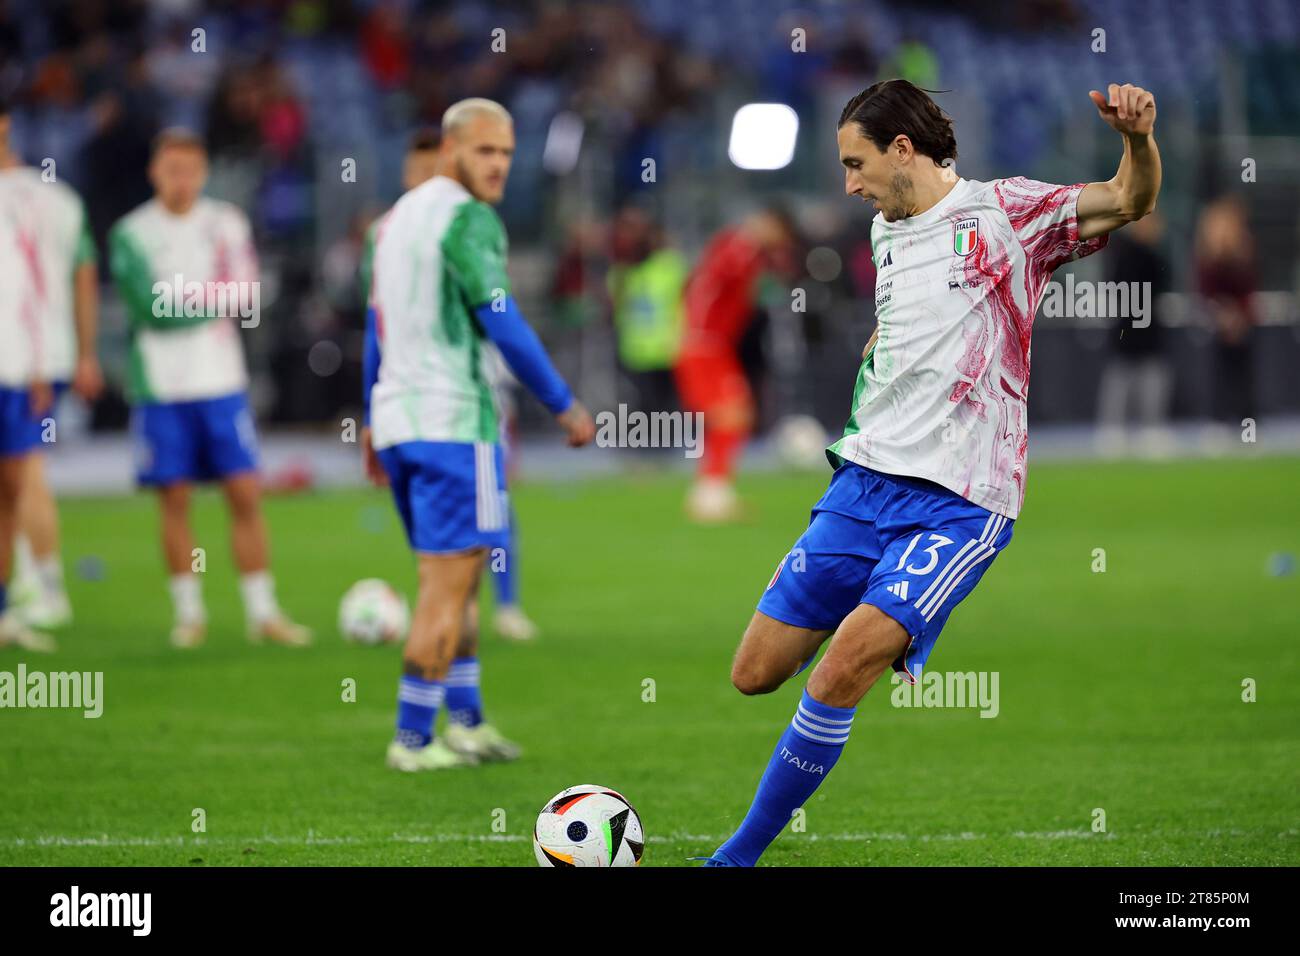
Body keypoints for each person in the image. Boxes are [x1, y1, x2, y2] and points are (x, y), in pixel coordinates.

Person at [699, 78, 1160, 866]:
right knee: (754, 672)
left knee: (843, 663)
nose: (849, 185)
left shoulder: (1005, 212)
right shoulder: (885, 233)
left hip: (959, 500)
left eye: (857, 163)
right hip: (862, 484)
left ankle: (732, 859)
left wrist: (1138, 139)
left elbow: (1128, 199)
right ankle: (869, 626)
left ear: (902, 149)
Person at [361, 98, 594, 772]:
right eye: (484, 151)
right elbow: (504, 321)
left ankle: (465, 722)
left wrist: (372, 418)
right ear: (449, 149)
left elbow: (376, 329)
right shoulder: (469, 220)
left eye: (506, 154)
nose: (497, 165)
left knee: (453, 580)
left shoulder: (394, 221)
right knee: (446, 585)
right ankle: (411, 740)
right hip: (456, 422)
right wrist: (563, 401)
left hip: (403, 420)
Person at [108, 128, 310, 649]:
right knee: (174, 499)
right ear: (155, 171)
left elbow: (246, 296)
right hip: (160, 386)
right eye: (172, 169)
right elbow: (147, 308)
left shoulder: (225, 222)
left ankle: (263, 612)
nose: (182, 180)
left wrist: (183, 298)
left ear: (203, 173)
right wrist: (209, 299)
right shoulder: (132, 232)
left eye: (191, 170)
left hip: (221, 381)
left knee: (244, 493)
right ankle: (189, 614)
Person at [360, 128, 542, 643]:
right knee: (452, 550)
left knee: (496, 502)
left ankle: (501, 607)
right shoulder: (390, 234)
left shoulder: (466, 223)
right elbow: (378, 327)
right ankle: (453, 685)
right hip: (430, 404)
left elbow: (493, 311)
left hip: (472, 389)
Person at [0, 97, 102, 632]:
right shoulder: (60, 197)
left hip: (21, 363)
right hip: (43, 356)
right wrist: (83, 352)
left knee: (23, 472)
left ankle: (43, 586)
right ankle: (29, 585)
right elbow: (83, 274)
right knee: (19, 473)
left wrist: (50, 358)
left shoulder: (33, 200)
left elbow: (54, 282)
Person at [674, 207, 799, 522]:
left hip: (707, 343)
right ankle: (711, 494)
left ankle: (710, 491)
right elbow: (715, 282)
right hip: (706, 345)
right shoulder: (740, 249)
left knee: (727, 417)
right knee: (733, 415)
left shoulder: (731, 246)